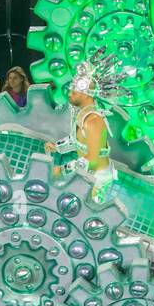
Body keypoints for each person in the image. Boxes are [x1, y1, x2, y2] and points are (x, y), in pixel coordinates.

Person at [44, 57, 120, 203]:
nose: (69, 94)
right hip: (87, 175)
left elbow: (92, 160)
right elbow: (77, 139)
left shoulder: (93, 121)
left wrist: (61, 170)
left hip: (98, 180)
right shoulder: (82, 115)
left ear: (86, 94)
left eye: (74, 92)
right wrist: (57, 147)